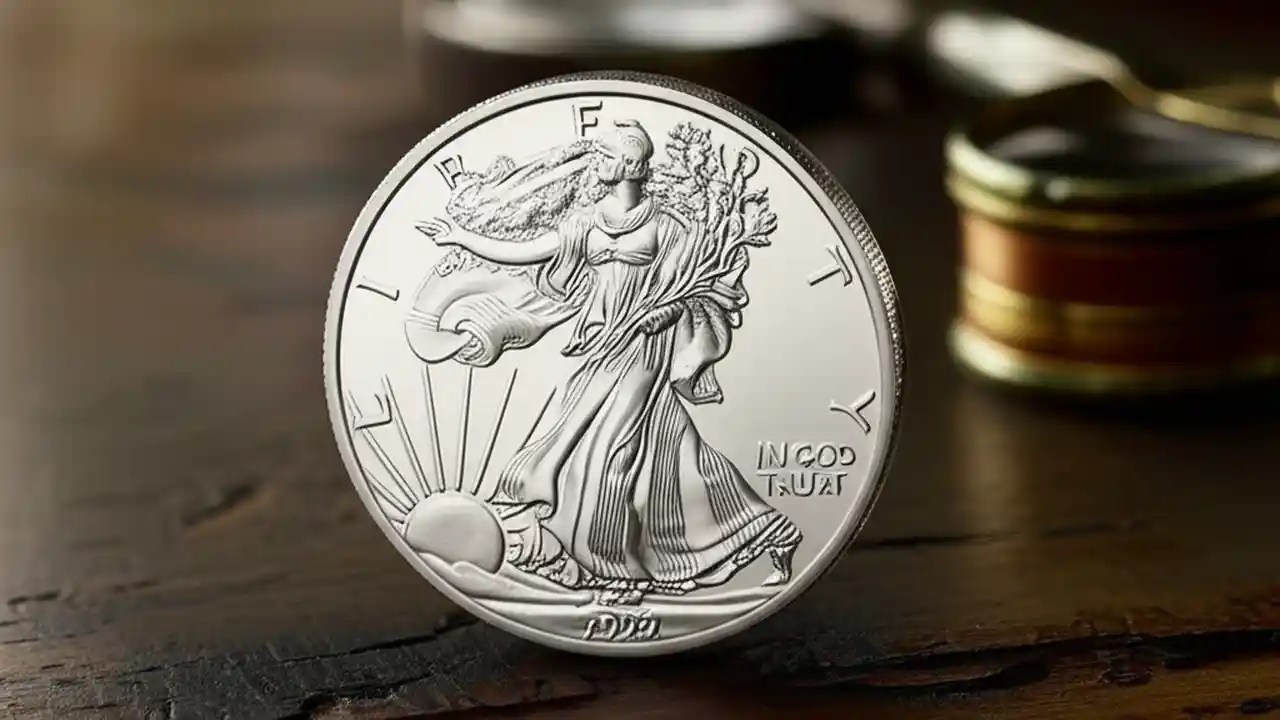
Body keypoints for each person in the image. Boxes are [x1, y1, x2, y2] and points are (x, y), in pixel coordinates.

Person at [417, 120, 800, 601]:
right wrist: (461, 237)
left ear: (629, 165)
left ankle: (614, 567)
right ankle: (759, 531)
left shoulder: (669, 227)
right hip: (600, 344)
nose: (594, 162)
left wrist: (661, 313)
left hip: (645, 347)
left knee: (611, 447)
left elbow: (692, 289)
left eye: (604, 154)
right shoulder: (583, 222)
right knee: (653, 445)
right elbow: (527, 253)